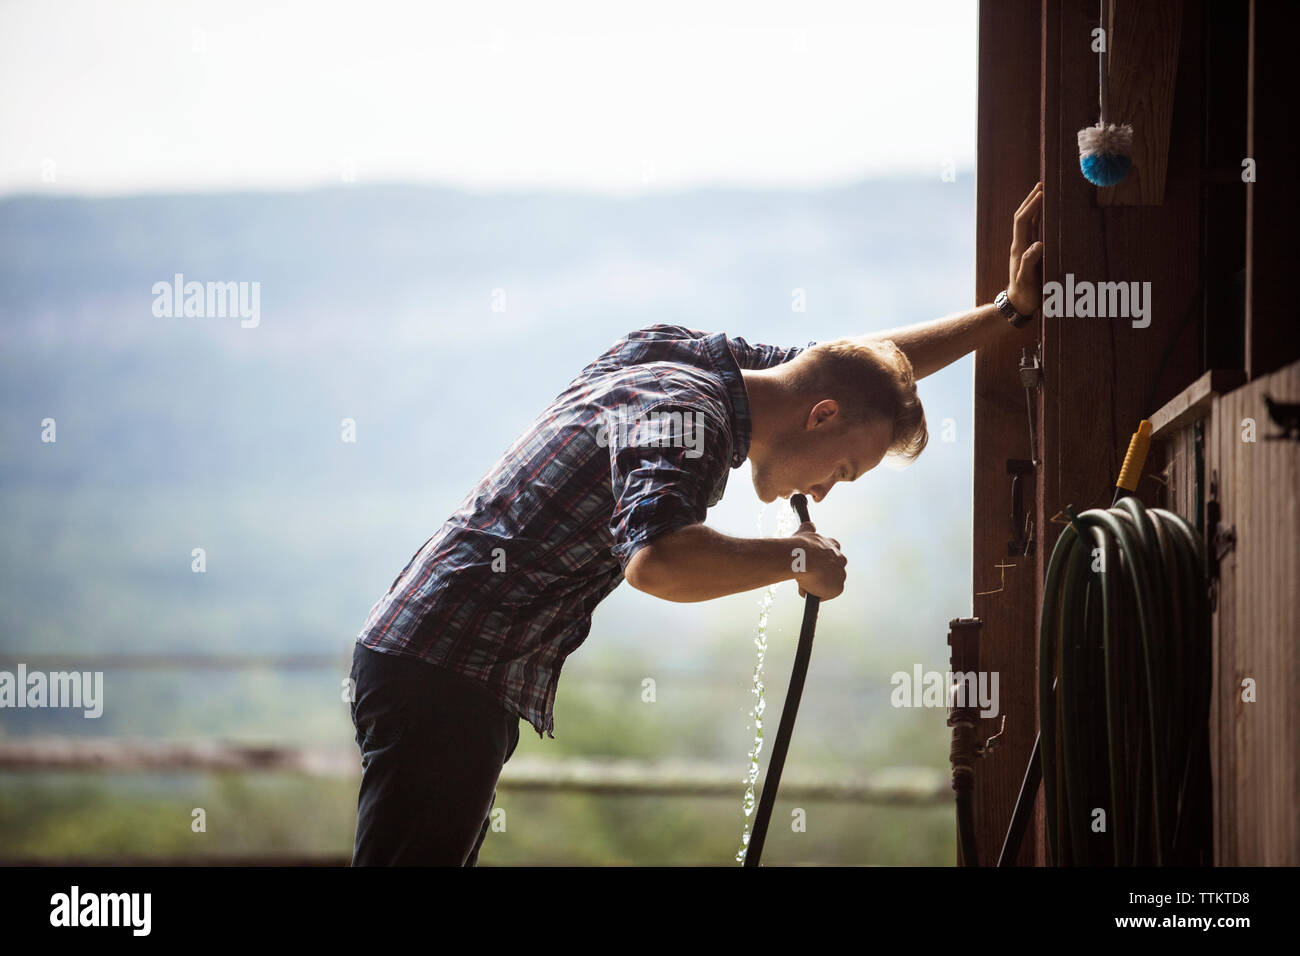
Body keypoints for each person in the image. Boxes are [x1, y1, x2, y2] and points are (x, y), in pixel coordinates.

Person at [347, 182, 1045, 866]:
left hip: (431, 660)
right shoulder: (696, 422)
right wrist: (797, 561)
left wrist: (1007, 313)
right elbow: (657, 560)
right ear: (822, 419)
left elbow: (854, 369)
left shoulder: (688, 361)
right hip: (443, 674)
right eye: (844, 469)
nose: (825, 493)